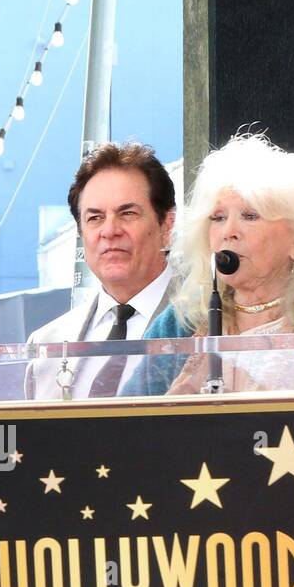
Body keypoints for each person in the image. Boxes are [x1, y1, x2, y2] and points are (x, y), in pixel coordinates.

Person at [127, 133, 294, 396]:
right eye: (218, 217)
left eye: (250, 216)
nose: (228, 231)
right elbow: (120, 420)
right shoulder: (183, 320)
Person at [25, 142, 179, 398]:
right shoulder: (46, 345)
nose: (110, 231)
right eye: (95, 218)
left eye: (127, 213)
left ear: (166, 226)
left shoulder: (209, 327)